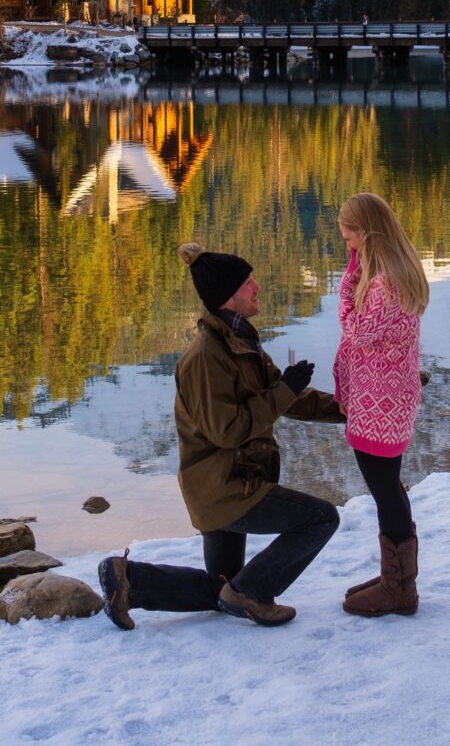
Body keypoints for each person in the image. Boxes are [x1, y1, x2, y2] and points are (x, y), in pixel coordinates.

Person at [99, 240, 345, 630]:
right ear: (228, 297)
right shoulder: (205, 358)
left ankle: (129, 582)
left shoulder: (238, 344)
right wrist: (284, 390)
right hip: (226, 488)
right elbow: (227, 431)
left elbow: (283, 401)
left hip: (229, 482)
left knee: (223, 589)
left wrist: (351, 409)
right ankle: (251, 595)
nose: (257, 287)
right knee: (321, 518)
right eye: (249, 282)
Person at [333, 192, 429, 617]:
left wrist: (346, 288)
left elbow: (359, 333)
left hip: (381, 401)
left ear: (365, 232)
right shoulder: (397, 272)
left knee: (385, 488)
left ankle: (399, 589)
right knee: (388, 486)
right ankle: (397, 578)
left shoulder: (385, 282)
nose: (346, 242)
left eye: (348, 233)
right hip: (390, 394)